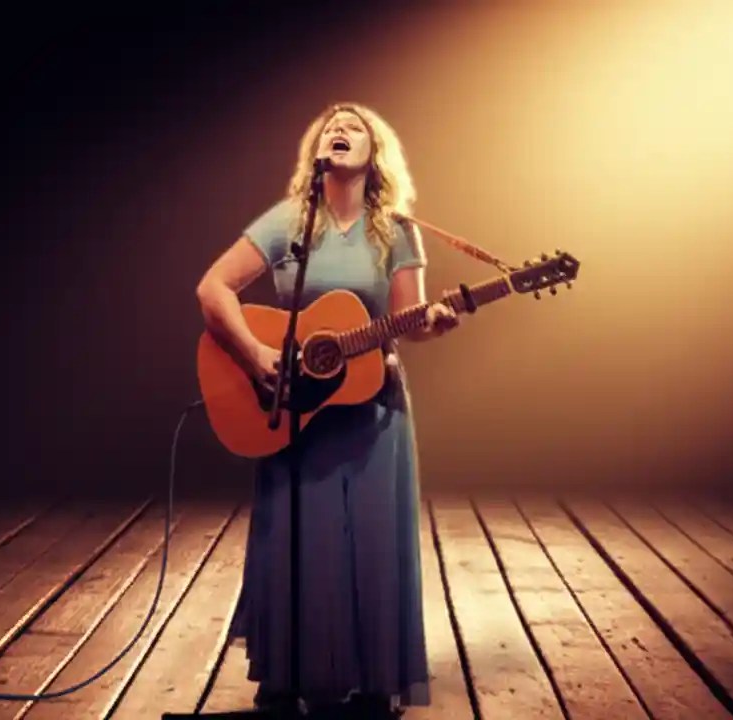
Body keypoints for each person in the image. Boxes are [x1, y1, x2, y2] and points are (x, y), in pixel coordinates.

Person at [195, 102, 459, 718]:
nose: (339, 131)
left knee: (370, 538)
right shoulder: (291, 221)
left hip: (373, 410)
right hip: (298, 409)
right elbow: (213, 289)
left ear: (376, 153)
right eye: (330, 127)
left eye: (354, 127)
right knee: (296, 540)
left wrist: (434, 323)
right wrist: (258, 353)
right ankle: (288, 677)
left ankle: (372, 684)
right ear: (318, 151)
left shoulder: (396, 229)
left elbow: (408, 319)